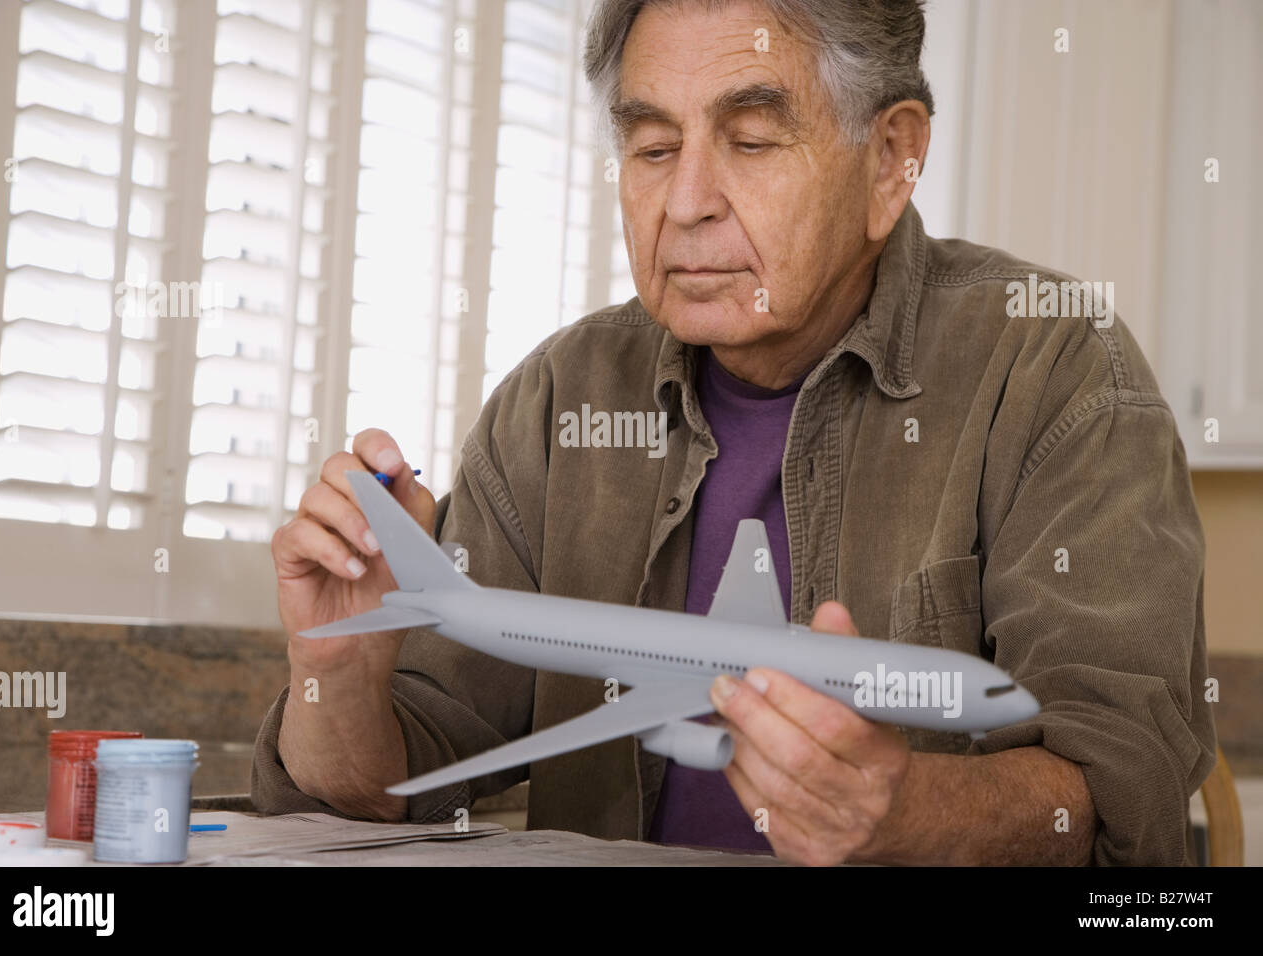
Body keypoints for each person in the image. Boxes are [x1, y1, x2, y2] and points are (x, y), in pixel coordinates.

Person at [253, 0, 1215, 865]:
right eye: (653, 147)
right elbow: (378, 791)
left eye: (752, 140)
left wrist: (909, 814)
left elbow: (1123, 798)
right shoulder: (560, 399)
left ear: (890, 161)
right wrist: (335, 672)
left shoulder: (1054, 372)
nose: (685, 202)